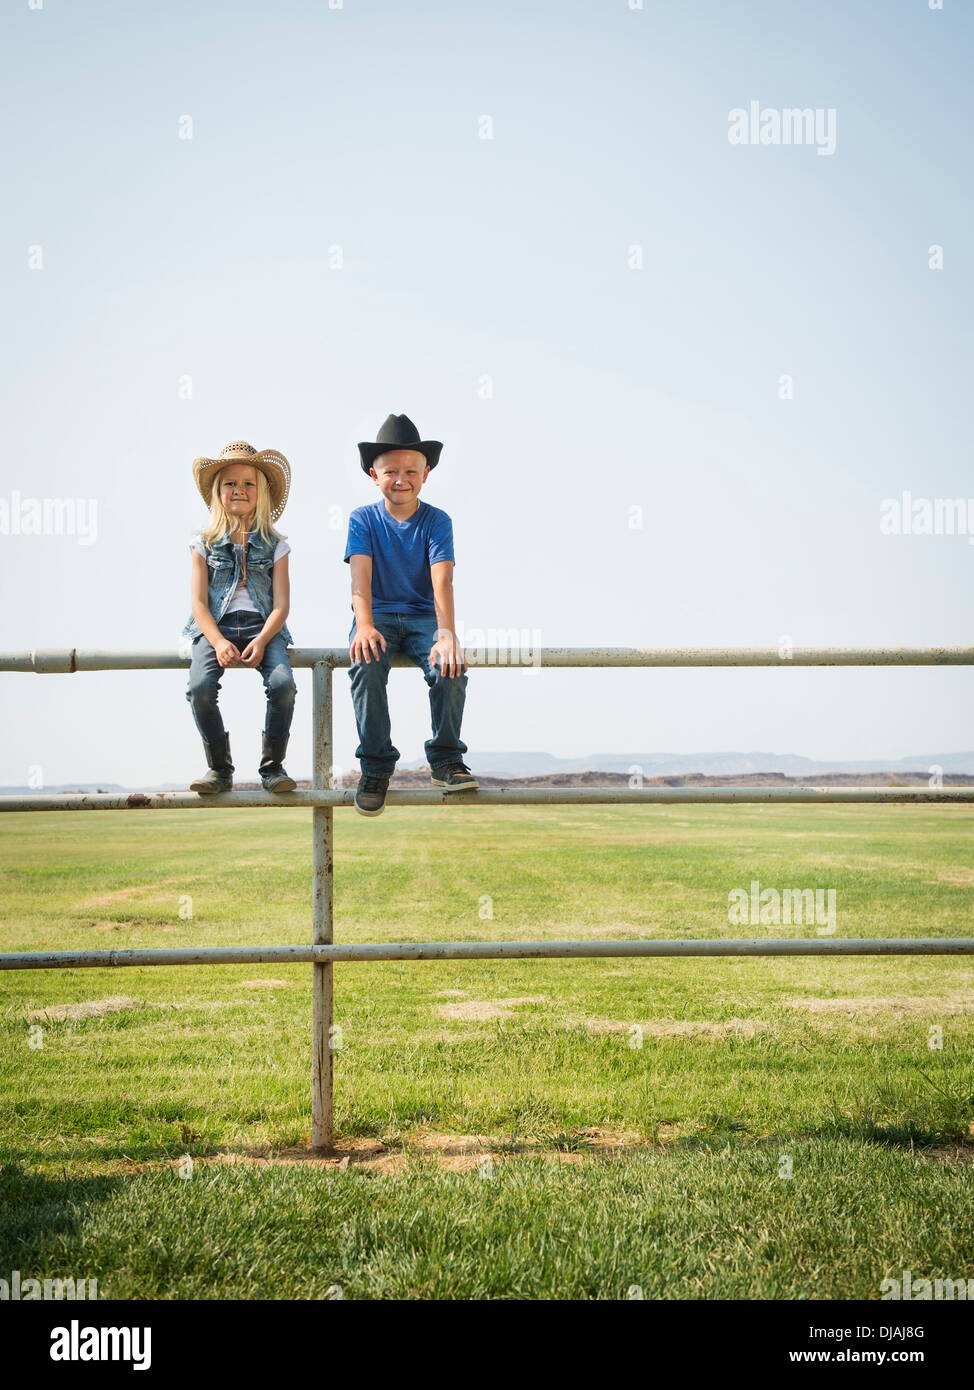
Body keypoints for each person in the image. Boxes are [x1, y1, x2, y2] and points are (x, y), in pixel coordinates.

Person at [345, 413, 478, 816]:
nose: (400, 479)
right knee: (365, 664)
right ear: (374, 475)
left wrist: (447, 633)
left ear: (426, 474)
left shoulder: (437, 521)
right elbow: (360, 581)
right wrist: (365, 626)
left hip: (424, 616)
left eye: (410, 471)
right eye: (390, 471)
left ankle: (445, 758)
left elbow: (442, 582)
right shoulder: (362, 519)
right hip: (378, 614)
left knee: (449, 667)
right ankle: (376, 767)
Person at [181, 441, 298, 794]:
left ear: (261, 492)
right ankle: (219, 768)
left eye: (248, 483)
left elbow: (281, 605)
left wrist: (262, 640)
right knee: (199, 688)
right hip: (215, 628)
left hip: (264, 626)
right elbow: (199, 604)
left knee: (283, 686)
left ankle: (272, 766)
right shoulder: (202, 543)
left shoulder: (276, 545)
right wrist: (217, 641)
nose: (239, 490)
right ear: (218, 491)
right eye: (230, 483)